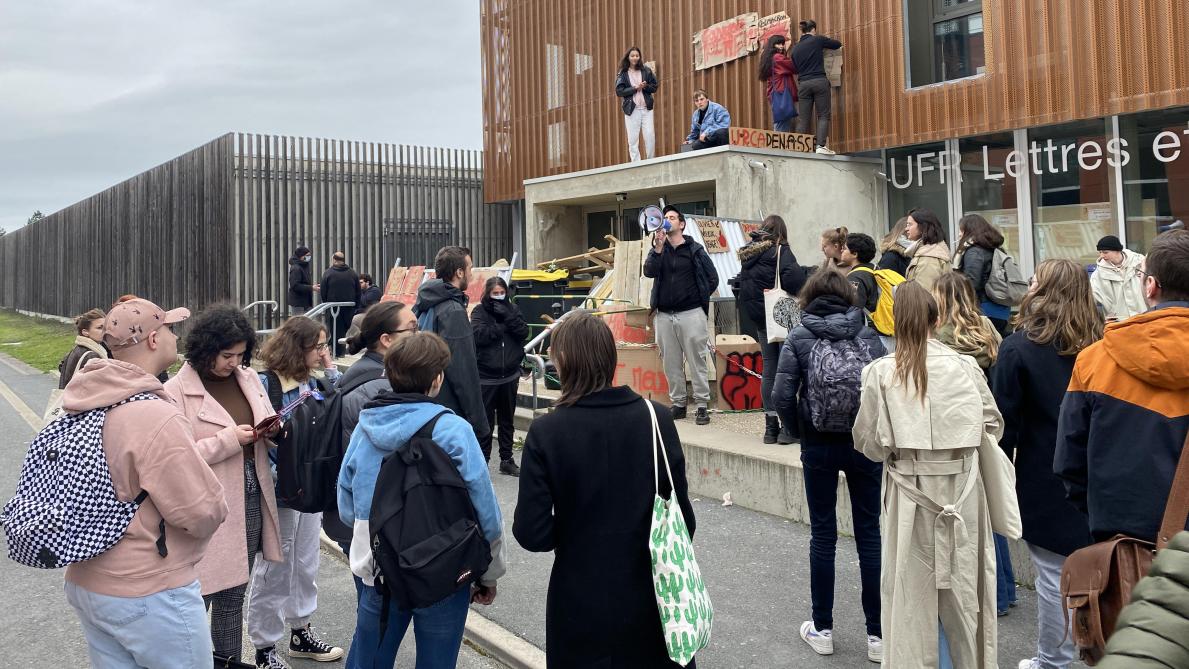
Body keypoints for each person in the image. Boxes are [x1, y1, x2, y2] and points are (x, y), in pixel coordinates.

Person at [513, 312, 696, 668]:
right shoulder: (657, 418)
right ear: (610, 357)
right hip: (654, 595)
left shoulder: (547, 432)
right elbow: (683, 519)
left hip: (580, 597)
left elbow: (532, 533)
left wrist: (572, 534)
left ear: (563, 362)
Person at [59, 298, 229, 668]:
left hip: (89, 579)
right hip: (148, 589)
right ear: (153, 339)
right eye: (169, 329)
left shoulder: (84, 398)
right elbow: (200, 511)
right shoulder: (154, 415)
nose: (175, 336)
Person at [852, 281, 1009, 668]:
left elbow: (869, 443)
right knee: (968, 600)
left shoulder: (881, 373)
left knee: (909, 605)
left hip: (910, 495)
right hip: (962, 492)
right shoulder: (966, 367)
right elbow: (992, 424)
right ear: (937, 320)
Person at [338, 331, 506, 668]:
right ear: (437, 379)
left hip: (380, 564)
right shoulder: (454, 430)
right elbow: (486, 513)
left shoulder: (366, 427)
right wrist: (489, 573)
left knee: (370, 657)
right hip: (443, 563)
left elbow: (346, 502)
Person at [771, 265, 885, 663]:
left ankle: (822, 629)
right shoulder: (866, 332)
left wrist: (798, 431)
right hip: (863, 443)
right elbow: (884, 386)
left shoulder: (800, 335)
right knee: (869, 534)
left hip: (818, 443)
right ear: (849, 297)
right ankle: (878, 635)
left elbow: (781, 394)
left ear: (809, 297)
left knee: (823, 535)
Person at [990, 259, 1101, 669]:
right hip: (1103, 470)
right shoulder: (1104, 342)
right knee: (1106, 571)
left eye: (1035, 280)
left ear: (1044, 291)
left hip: (1045, 473)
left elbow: (1004, 424)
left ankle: (1053, 660)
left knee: (1054, 576)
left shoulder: (1019, 347)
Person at [164, 304, 284, 664]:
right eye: (226, 355)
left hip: (250, 491)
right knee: (195, 595)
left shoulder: (248, 378)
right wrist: (229, 440)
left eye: (241, 355)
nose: (234, 363)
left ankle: (228, 660)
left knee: (234, 593)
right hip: (204, 503)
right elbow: (175, 458)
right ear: (205, 349)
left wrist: (273, 430)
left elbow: (263, 417)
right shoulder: (174, 391)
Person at [1055, 230, 1189, 546]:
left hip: (1125, 536)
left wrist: (1102, 516)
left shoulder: (1095, 360)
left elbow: (1069, 461)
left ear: (1151, 286)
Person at [250, 316, 344, 669]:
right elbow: (258, 438)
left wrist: (330, 366)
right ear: (296, 348)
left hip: (312, 486)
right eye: (317, 346)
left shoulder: (314, 382)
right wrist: (278, 473)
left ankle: (300, 631)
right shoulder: (267, 384)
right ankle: (264, 646)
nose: (322, 352)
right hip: (281, 490)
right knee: (275, 567)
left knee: (306, 562)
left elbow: (340, 399)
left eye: (324, 345)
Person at [931, 271, 1016, 621]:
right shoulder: (987, 328)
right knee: (993, 509)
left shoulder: (939, 337)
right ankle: (1006, 591)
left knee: (969, 517)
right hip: (990, 427)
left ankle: (987, 595)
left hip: (958, 433)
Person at [331, 301, 419, 552]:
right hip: (375, 519)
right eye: (412, 329)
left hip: (361, 514)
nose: (419, 335)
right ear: (386, 340)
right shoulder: (383, 387)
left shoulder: (364, 371)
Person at [731, 215, 807, 443]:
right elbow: (795, 282)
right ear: (781, 232)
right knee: (788, 371)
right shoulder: (780, 251)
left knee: (769, 370)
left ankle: (770, 427)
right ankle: (788, 428)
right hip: (782, 319)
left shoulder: (749, 254)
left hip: (761, 319)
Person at [643, 206, 720, 425]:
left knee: (697, 361)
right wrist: (657, 247)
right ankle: (678, 404)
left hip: (691, 314)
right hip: (664, 316)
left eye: (671, 217)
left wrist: (697, 297)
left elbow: (712, 278)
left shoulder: (695, 250)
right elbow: (649, 271)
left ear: (682, 224)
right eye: (664, 217)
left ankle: (702, 405)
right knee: (671, 363)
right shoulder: (659, 249)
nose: (667, 220)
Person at [413, 246, 491, 442]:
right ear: (459, 272)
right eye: (470, 268)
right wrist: (479, 423)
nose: (472, 274)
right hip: (448, 409)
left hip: (425, 403)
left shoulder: (426, 301)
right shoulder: (453, 310)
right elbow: (463, 370)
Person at [471, 276, 529, 475]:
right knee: (485, 422)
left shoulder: (513, 310)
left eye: (501, 292)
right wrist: (502, 327)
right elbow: (479, 335)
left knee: (507, 420)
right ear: (488, 293)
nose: (499, 296)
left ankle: (506, 459)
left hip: (509, 376)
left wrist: (509, 317)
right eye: (495, 293)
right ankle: (483, 461)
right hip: (486, 377)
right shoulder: (479, 312)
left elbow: (524, 332)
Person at [953, 214, 1012, 334]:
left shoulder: (974, 252)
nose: (959, 234)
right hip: (1000, 308)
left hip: (984, 309)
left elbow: (971, 283)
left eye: (961, 230)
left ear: (969, 230)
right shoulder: (994, 248)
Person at [932, 272, 1002, 373]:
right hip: (986, 380)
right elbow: (1001, 352)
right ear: (970, 296)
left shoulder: (937, 333)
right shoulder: (985, 323)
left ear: (939, 301)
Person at [791, 19, 842, 154]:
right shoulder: (817, 40)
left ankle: (797, 148)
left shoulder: (795, 49)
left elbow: (795, 68)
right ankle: (820, 146)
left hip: (803, 84)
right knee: (823, 115)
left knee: (803, 118)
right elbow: (837, 44)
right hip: (819, 81)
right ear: (813, 29)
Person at [1089, 234, 1147, 321]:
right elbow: (1091, 300)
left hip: (1146, 318)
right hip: (1119, 323)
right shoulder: (1097, 275)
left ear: (1117, 251)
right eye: (1100, 252)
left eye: (1105, 252)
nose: (1102, 256)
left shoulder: (1141, 263)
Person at [615, 46, 659, 162]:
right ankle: (636, 163)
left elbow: (655, 87)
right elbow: (619, 91)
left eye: (637, 56)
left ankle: (651, 161)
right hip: (632, 109)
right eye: (632, 56)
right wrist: (635, 88)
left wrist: (645, 86)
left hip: (646, 109)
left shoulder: (646, 70)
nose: (635, 58)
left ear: (640, 57)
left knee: (650, 136)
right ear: (628, 57)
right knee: (633, 139)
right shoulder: (623, 73)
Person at [320, 251, 362, 355]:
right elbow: (358, 291)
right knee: (342, 330)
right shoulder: (352, 273)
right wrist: (356, 306)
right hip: (349, 308)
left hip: (333, 307)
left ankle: (337, 352)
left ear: (334, 260)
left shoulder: (328, 273)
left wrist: (326, 304)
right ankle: (338, 350)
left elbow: (323, 291)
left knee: (335, 330)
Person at [58, 308, 108, 388]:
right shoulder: (91, 355)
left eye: (105, 327)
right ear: (85, 332)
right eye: (99, 328)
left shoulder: (77, 349)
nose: (105, 331)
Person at [904, 208, 952, 292]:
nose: (906, 229)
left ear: (923, 227)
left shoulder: (928, 258)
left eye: (910, 224)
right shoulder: (930, 251)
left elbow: (925, 295)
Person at [758, 34, 798, 132]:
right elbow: (793, 66)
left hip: (776, 93)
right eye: (778, 44)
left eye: (782, 44)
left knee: (781, 122)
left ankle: (777, 141)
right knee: (782, 124)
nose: (781, 46)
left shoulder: (769, 58)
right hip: (782, 92)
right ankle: (777, 142)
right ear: (773, 45)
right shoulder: (777, 57)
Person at [840, 232, 880, 315]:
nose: (841, 251)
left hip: (866, 322)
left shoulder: (855, 277)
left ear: (855, 254)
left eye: (844, 248)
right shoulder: (874, 270)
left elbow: (853, 309)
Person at [288, 246, 317, 316]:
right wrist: (311, 287)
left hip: (306, 302)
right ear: (301, 256)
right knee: (299, 322)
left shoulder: (304, 265)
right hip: (299, 303)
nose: (309, 257)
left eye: (309, 255)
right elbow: (295, 286)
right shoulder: (296, 268)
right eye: (307, 255)